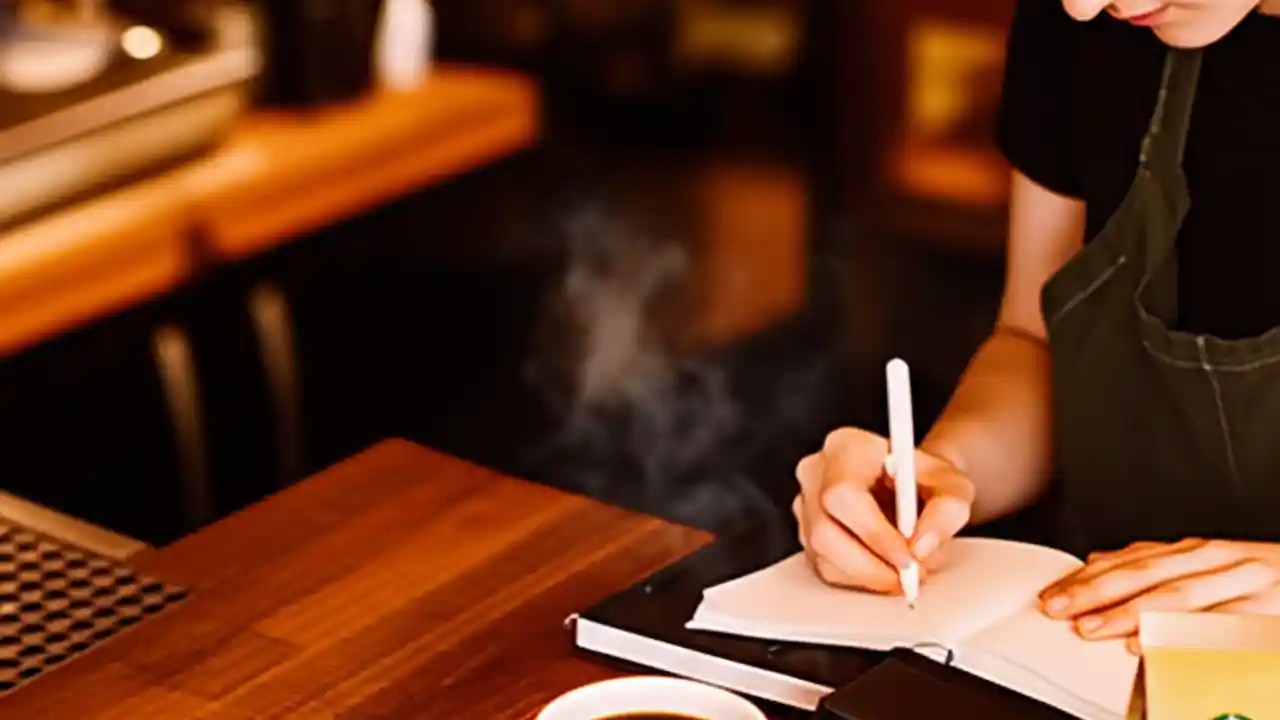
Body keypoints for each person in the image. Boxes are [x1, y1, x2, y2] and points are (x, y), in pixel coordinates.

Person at [795, 0, 1280, 653]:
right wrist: (935, 476)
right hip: (1098, 655)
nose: (1082, 8)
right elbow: (1034, 340)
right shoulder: (1087, 19)